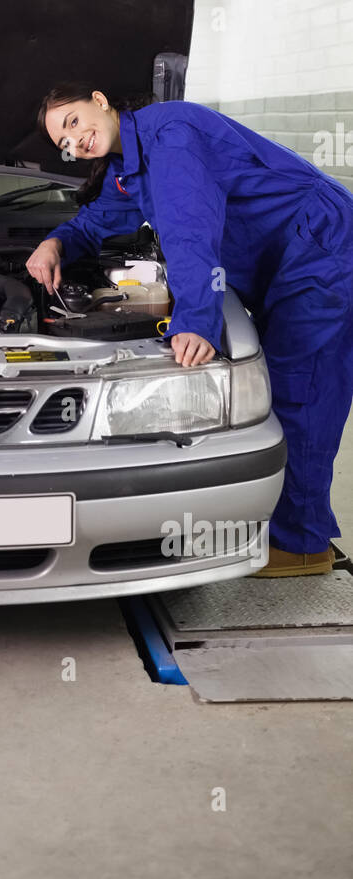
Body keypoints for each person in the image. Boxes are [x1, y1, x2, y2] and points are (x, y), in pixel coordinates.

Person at [26, 82, 353, 578]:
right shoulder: (129, 168)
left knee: (299, 389)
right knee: (297, 384)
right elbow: (99, 220)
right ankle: (291, 527)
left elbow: (188, 227)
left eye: (73, 121)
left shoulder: (171, 133)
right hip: (289, 256)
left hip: (320, 245)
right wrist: (56, 243)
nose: (74, 140)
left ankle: (302, 545)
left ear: (99, 101)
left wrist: (195, 321)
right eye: (63, 143)